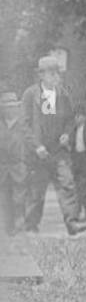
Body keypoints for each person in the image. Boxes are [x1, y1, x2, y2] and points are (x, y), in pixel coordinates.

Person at [20, 55, 86, 236]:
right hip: (38, 153)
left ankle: (72, 222)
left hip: (58, 151)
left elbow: (70, 119)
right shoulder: (30, 95)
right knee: (36, 190)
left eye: (58, 73)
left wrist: (66, 134)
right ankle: (31, 226)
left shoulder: (63, 94)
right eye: (51, 73)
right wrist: (36, 146)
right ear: (41, 75)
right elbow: (24, 124)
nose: (56, 77)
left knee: (67, 184)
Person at [0, 91, 28, 236]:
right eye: (6, 107)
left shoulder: (24, 125)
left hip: (20, 166)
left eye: (12, 107)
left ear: (17, 108)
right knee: (5, 198)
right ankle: (9, 226)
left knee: (20, 197)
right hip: (3, 168)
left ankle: (20, 221)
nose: (9, 110)